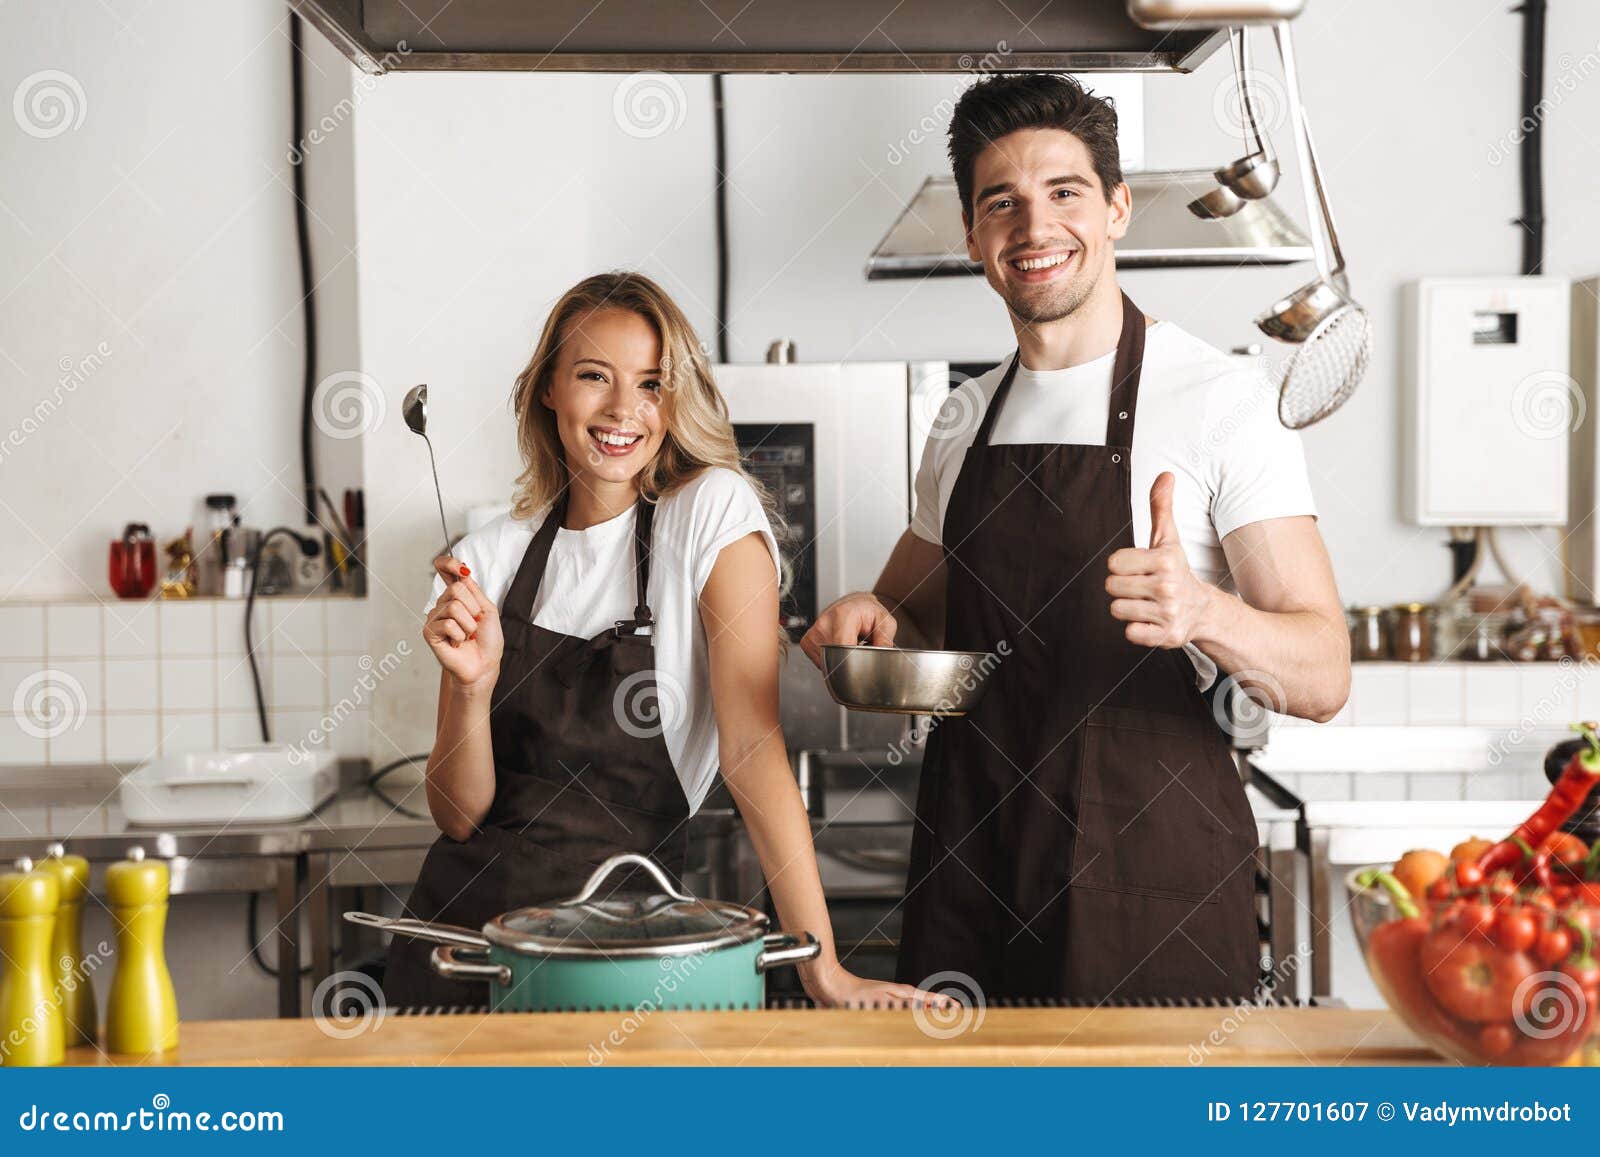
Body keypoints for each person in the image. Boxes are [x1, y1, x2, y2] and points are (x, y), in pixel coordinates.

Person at [801, 74, 1350, 1001]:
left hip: (1147, 878)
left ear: (1117, 208)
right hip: (970, 863)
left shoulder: (1222, 401)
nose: (1034, 227)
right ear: (974, 237)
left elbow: (1325, 672)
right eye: (1001, 204)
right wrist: (867, 616)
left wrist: (1205, 611)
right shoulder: (960, 421)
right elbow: (904, 613)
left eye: (1065, 193)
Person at [386, 271, 932, 1009]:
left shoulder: (710, 513)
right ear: (548, 388)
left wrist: (821, 967)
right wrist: (470, 684)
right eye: (593, 376)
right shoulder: (492, 555)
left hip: (620, 968)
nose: (623, 410)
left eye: (650, 383)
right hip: (461, 958)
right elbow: (458, 814)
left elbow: (751, 749)